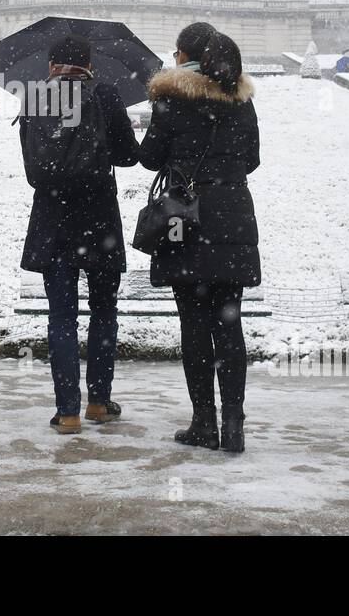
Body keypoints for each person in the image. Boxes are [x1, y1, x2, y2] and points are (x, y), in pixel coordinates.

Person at [139, 23, 260, 454]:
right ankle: (234, 424)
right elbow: (252, 159)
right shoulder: (241, 102)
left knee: (193, 325)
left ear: (184, 55)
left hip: (184, 223)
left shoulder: (172, 100)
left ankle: (203, 423)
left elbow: (148, 158)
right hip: (233, 220)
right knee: (230, 326)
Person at [17, 33, 139, 435]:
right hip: (99, 217)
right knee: (104, 311)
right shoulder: (105, 93)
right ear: (89, 63)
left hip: (53, 219)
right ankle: (99, 402)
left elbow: (32, 166)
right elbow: (127, 156)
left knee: (61, 317)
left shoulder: (35, 97)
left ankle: (67, 411)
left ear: (51, 65)